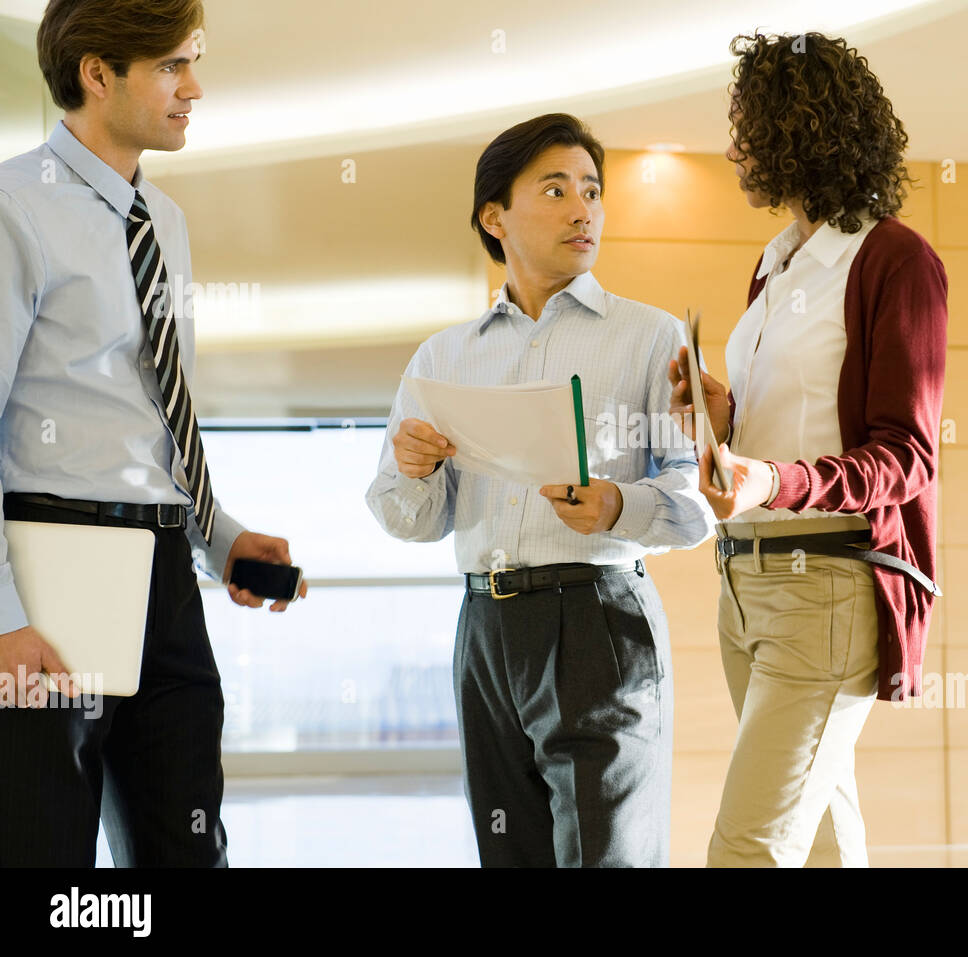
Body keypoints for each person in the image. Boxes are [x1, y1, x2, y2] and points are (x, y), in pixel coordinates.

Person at [0, 0, 308, 867]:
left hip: (166, 575)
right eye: (173, 66)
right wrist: (5, 617)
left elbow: (161, 411)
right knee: (43, 854)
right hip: (52, 567)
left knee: (187, 846)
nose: (194, 88)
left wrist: (221, 537)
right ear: (99, 73)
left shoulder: (162, 222)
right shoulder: (14, 208)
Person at [366, 113, 713, 867]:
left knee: (603, 856)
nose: (583, 208)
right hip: (484, 626)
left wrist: (621, 505)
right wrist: (413, 468)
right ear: (495, 216)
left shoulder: (651, 338)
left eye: (591, 190)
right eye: (556, 189)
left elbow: (697, 500)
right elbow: (409, 518)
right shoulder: (444, 356)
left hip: (598, 620)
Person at [668, 32, 948, 867]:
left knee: (747, 850)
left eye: (747, 126)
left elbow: (906, 456)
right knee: (821, 838)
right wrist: (725, 408)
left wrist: (773, 479)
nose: (733, 148)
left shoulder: (895, 262)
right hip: (745, 587)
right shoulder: (777, 263)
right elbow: (796, 419)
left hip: (825, 590)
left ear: (799, 129)